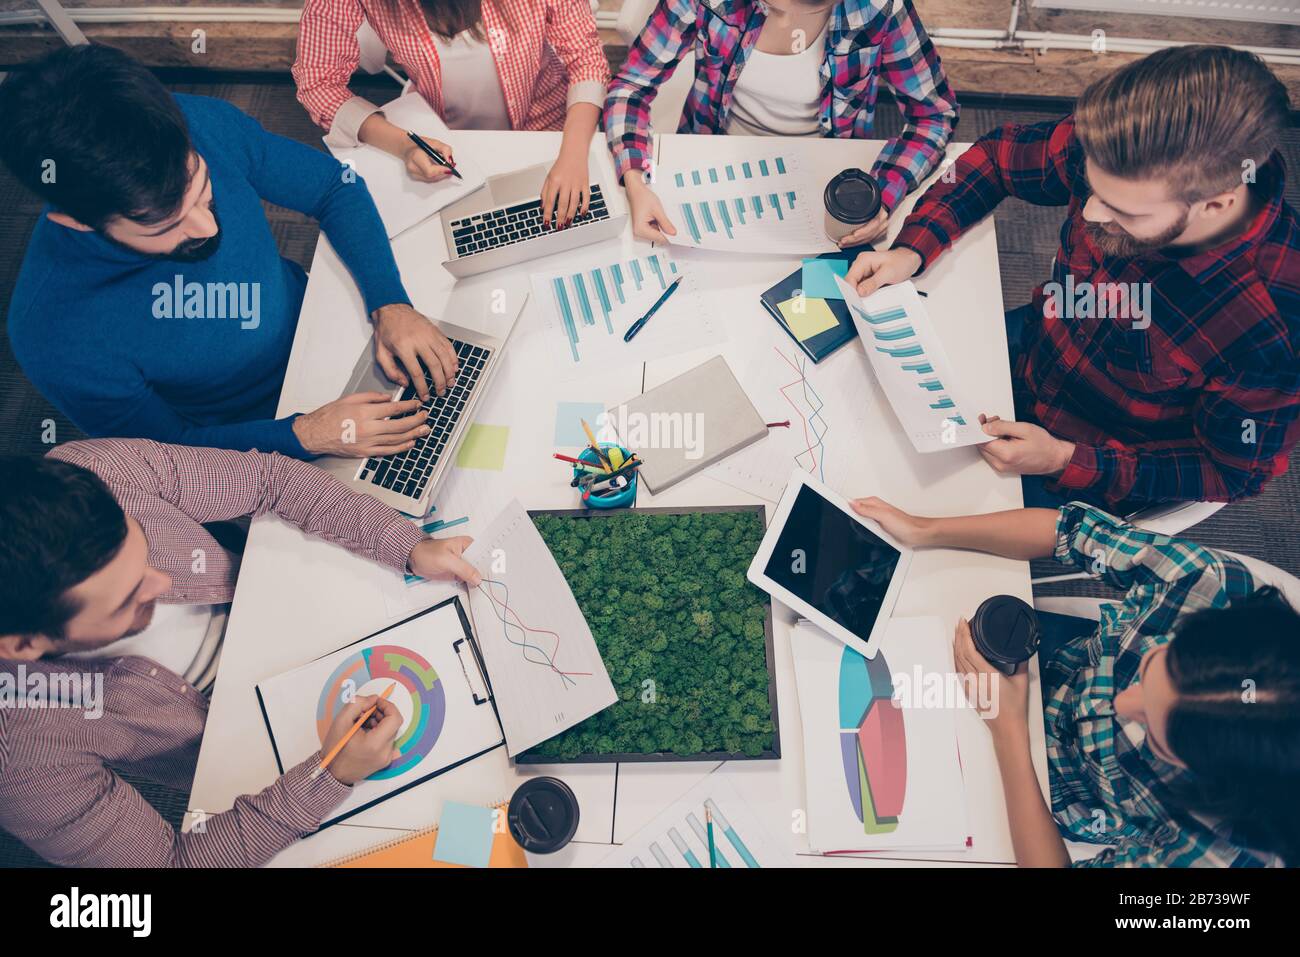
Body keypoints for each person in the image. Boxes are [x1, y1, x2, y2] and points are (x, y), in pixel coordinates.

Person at [847, 45, 1300, 512]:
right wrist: (912, 248)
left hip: (1094, 459)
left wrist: (1064, 459)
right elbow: (996, 157)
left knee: (916, 513)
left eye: (1123, 211)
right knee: (863, 410)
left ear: (1216, 204)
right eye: (1092, 185)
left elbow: (1229, 471)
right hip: (1037, 349)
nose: (1089, 211)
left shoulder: (1272, 333)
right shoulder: (1120, 146)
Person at [0, 438, 482, 867]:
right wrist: (331, 773)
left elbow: (268, 479)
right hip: (255, 760)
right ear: (23, 646)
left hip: (298, 605)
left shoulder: (94, 469)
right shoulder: (23, 762)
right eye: (129, 598)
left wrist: (405, 543)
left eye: (143, 546)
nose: (164, 582)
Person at [1, 44, 458, 461]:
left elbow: (332, 188)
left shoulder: (195, 123)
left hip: (330, 319)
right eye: (166, 223)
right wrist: (305, 435)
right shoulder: (53, 333)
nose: (208, 227)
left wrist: (388, 301)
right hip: (252, 440)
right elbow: (163, 456)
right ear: (76, 221)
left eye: (202, 187)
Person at [853, 495, 1299, 867]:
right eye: (1151, 668)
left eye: (1155, 737)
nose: (1122, 704)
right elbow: (1067, 533)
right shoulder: (1205, 585)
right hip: (1047, 659)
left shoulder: (1218, 853)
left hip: (1045, 792)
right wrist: (924, 529)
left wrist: (1008, 732)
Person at [606, 0, 957, 246]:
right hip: (712, 156)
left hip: (827, 173)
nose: (787, 22)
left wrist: (882, 194)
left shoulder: (879, 7)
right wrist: (636, 182)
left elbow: (935, 115)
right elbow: (631, 86)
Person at [294, 0, 609, 227]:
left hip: (544, 125)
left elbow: (586, 60)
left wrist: (573, 156)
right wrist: (404, 144)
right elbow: (317, 83)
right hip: (441, 138)